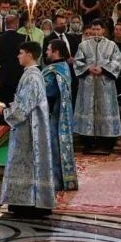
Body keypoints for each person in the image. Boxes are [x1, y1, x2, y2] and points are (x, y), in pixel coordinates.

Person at [1, 43, 56, 218]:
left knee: (28, 163)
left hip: (29, 130)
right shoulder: (30, 75)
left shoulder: (33, 77)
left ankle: (29, 204)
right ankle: (23, 203)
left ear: (30, 55)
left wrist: (3, 111)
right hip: (28, 127)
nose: (18, 56)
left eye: (21, 53)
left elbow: (24, 107)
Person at [73, 19, 121, 154]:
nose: (96, 32)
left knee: (105, 109)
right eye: (93, 29)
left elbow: (117, 61)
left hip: (105, 83)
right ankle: (88, 142)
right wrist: (88, 68)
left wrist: (104, 69)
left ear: (103, 30)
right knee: (88, 110)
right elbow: (77, 62)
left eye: (98, 29)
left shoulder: (112, 45)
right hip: (88, 83)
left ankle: (107, 143)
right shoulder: (83, 45)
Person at [42, 39, 78, 192]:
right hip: (61, 113)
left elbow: (49, 92)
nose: (46, 52)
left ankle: (56, 180)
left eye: (49, 50)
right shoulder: (63, 67)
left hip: (55, 115)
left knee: (54, 147)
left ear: (56, 52)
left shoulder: (55, 70)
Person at [0, 13, 26, 103]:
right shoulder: (23, 38)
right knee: (15, 101)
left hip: (1, 75)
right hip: (18, 75)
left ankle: (2, 117)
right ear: (16, 24)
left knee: (2, 101)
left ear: (5, 24)